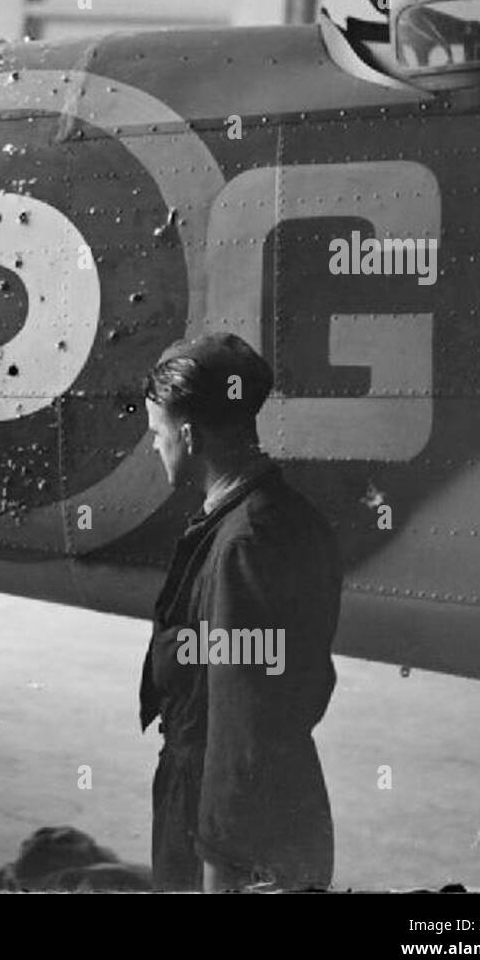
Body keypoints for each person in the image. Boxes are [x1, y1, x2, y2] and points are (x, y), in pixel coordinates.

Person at [138, 333, 341, 891]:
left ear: (188, 434)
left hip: (221, 820)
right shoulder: (283, 516)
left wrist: (221, 862)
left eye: (157, 432)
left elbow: (244, 721)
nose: (154, 446)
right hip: (274, 801)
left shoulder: (244, 543)